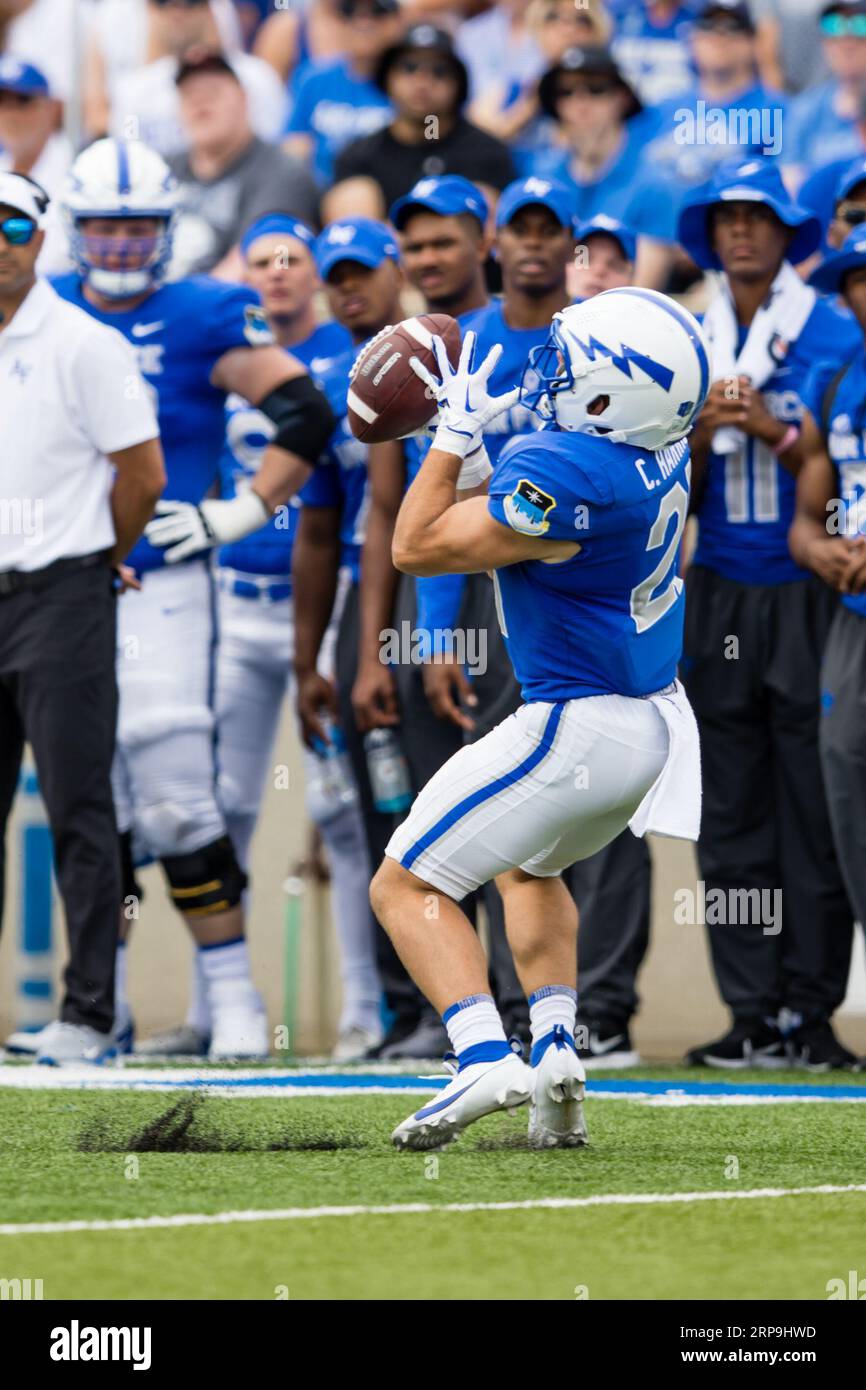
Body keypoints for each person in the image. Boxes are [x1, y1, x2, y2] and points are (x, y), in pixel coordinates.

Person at [370, 288, 710, 1149]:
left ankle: (482, 1055)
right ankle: (557, 1047)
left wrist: (446, 439)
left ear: (608, 397)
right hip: (647, 727)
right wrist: (478, 447)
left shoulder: (571, 475)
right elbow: (510, 531)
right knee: (528, 868)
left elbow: (418, 545)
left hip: (576, 723)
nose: (548, 370)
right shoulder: (657, 447)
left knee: (406, 883)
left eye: (571, 364)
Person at [50, 138, 335, 1062]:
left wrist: (243, 507)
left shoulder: (209, 310)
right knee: (96, 803)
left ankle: (233, 1000)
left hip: (165, 578)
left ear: (168, 229)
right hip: (60, 583)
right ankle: (101, 1010)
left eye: (138, 227)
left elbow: (304, 414)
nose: (123, 246)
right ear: (76, 229)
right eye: (105, 227)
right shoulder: (40, 307)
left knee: (175, 795)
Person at [677, 158, 860, 1069]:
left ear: (790, 232)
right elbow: (676, 485)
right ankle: (749, 1009)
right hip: (714, 584)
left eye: (759, 218)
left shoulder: (832, 328)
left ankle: (812, 1012)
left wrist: (774, 434)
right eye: (726, 218)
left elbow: (837, 461)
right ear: (708, 233)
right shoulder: (683, 330)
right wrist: (700, 437)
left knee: (813, 812)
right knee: (729, 814)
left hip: (805, 591)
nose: (740, 232)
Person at [0, 171, 165, 1065]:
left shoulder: (83, 343)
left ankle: (91, 1014)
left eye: (11, 224)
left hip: (61, 596)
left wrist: (101, 558)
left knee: (79, 809)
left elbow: (142, 473)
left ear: (38, 236)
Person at [291, 217, 419, 1057]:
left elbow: (393, 511)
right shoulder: (323, 378)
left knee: (453, 808)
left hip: (447, 594)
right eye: (333, 274)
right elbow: (321, 523)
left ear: (394, 270)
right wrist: (313, 658)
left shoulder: (434, 351)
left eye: (361, 270)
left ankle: (489, 1005)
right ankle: (405, 1008)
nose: (347, 288)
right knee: (385, 813)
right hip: (365, 601)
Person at [791, 233, 866, 1044]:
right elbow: (806, 520)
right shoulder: (839, 378)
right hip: (853, 617)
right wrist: (822, 550)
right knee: (846, 786)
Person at [326, 24, 516, 224]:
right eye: (409, 67)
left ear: (458, 84)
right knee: (356, 195)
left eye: (439, 71)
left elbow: (486, 235)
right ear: (387, 77)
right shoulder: (359, 155)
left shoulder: (485, 152)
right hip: (385, 254)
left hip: (454, 252)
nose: (422, 81)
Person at [532, 45, 681, 288]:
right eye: (566, 92)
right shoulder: (543, 175)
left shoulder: (655, 184)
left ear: (621, 98)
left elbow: (642, 293)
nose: (581, 102)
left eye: (595, 89)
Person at [167, 49, 318, 279]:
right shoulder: (162, 169)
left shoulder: (282, 172)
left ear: (244, 100)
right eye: (189, 95)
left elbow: (246, 267)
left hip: (227, 308)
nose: (199, 104)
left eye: (212, 93)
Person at [104, 0, 287, 158]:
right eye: (162, 1)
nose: (176, 10)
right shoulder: (133, 91)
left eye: (190, 1)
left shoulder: (257, 78)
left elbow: (275, 154)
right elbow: (126, 160)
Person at [647, 1, 787, 190]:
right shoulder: (661, 109)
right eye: (707, 25)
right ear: (692, 39)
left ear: (752, 42)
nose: (719, 36)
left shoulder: (777, 112)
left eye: (733, 27)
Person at [281, 0, 400, 188]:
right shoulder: (313, 78)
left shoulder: (412, 78)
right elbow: (294, 142)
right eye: (349, 12)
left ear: (398, 22)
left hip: (388, 190)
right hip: (321, 192)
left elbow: (433, 135)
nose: (363, 23)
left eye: (378, 12)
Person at [0, 56, 70, 273]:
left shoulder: (77, 173)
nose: (10, 113)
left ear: (51, 108)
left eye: (23, 100)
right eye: (1, 100)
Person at [786, 0, 866, 174]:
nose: (846, 41)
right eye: (833, 25)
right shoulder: (804, 110)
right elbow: (790, 182)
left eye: (861, 25)